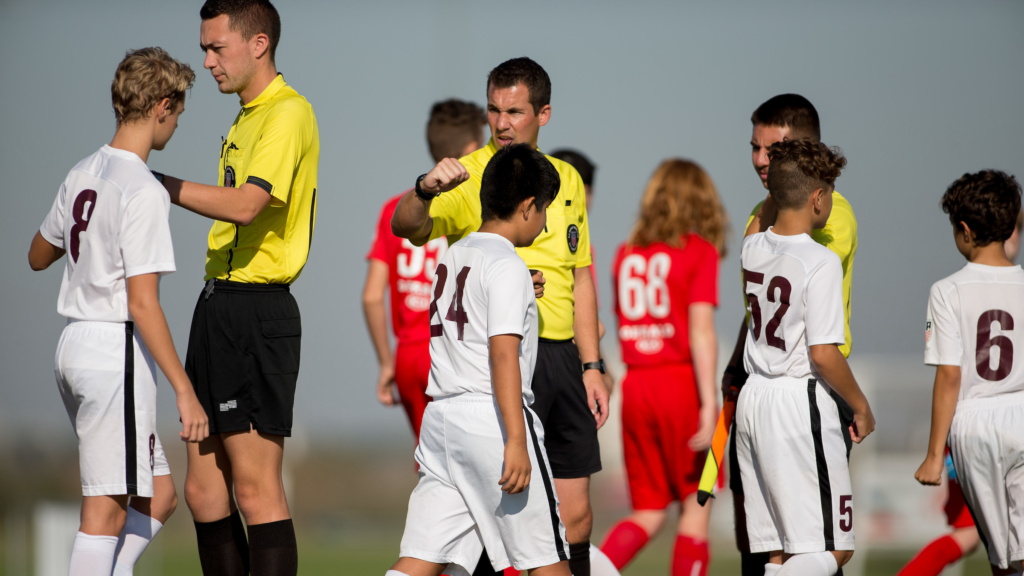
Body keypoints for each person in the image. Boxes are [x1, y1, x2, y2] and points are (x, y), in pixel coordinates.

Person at [391, 57, 606, 576]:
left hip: (559, 359)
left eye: (514, 111)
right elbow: (405, 225)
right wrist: (423, 188)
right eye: (494, 110)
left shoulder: (568, 179)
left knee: (574, 519)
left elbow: (582, 277)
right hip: (502, 369)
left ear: (543, 114)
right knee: (519, 527)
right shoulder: (471, 177)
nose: (502, 122)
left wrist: (592, 365)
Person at [27, 48, 207, 576]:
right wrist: (184, 388)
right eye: (178, 113)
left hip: (73, 345)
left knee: (161, 496)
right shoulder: (143, 189)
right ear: (163, 107)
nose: (176, 124)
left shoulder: (82, 171)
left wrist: (87, 238)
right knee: (102, 515)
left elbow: (38, 255)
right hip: (114, 353)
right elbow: (142, 303)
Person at [154, 1, 319, 574]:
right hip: (215, 304)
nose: (206, 61)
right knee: (203, 494)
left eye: (216, 47)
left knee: (254, 492)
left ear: (258, 44)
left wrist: (157, 185)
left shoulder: (287, 113)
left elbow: (248, 205)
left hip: (257, 312)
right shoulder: (246, 116)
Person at [388, 143, 568, 576]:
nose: (543, 225)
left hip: (442, 423)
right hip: (491, 419)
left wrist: (521, 287)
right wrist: (516, 440)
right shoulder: (507, 266)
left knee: (418, 561)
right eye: (543, 210)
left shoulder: (455, 255)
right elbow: (502, 356)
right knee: (547, 561)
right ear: (528, 207)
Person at [721, 94, 859, 576]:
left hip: (767, 396)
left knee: (780, 551)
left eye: (773, 149)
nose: (761, 159)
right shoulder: (796, 238)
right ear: (815, 195)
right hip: (802, 393)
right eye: (755, 148)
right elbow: (820, 348)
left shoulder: (764, 233)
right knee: (830, 546)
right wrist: (861, 406)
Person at [599, 159, 727, 576]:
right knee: (695, 506)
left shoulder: (626, 253)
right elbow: (701, 333)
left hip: (636, 386)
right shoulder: (698, 251)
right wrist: (710, 404)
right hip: (680, 385)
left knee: (648, 512)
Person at [914, 170, 1024, 576]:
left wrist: (932, 456)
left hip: (975, 425)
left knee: (1001, 560)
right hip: (1022, 414)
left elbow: (949, 375)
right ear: (1012, 225)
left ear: (963, 230)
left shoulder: (947, 290)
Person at [364, 99, 485, 441]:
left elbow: (372, 296)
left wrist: (386, 363)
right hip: (451, 349)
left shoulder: (398, 209)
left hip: (407, 354)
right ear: (474, 148)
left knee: (429, 463)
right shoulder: (471, 201)